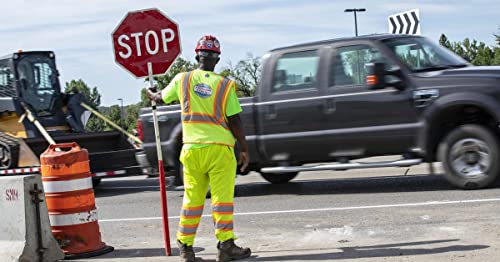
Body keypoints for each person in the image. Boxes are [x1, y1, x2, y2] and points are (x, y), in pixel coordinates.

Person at [146, 35, 251, 262]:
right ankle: (226, 246)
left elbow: (160, 97)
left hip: (192, 150)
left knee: (192, 199)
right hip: (220, 150)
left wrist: (151, 93)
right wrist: (244, 148)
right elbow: (235, 121)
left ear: (197, 56)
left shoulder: (182, 79)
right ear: (217, 59)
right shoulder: (225, 85)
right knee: (221, 200)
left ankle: (185, 247)